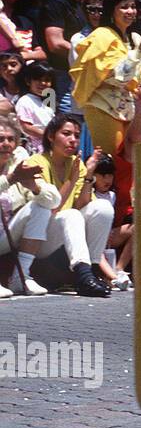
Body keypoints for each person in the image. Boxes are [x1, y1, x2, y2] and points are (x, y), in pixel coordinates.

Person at [70, 0, 141, 225]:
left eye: (132, 6)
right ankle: (107, 220)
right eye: (123, 7)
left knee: (132, 161)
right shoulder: (101, 36)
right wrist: (138, 53)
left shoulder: (135, 39)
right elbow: (117, 76)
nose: (130, 11)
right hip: (104, 109)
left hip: (130, 108)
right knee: (112, 165)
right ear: (112, 11)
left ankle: (127, 216)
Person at [28, 114, 114, 297]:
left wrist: (89, 175)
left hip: (68, 232)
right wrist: (72, 179)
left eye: (76, 135)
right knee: (71, 215)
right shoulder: (35, 162)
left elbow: (81, 204)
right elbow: (53, 208)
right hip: (40, 238)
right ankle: (83, 275)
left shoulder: (77, 165)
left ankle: (90, 271)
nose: (73, 140)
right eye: (66, 134)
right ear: (51, 136)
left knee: (103, 207)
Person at [0, 115, 60, 296]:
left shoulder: (18, 162)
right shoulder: (13, 173)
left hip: (7, 237)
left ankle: (21, 276)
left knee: (40, 205)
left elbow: (54, 200)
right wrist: (10, 180)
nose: (6, 144)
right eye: (0, 139)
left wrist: (34, 187)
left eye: (11, 139)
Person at [38, 0, 89, 114]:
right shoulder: (54, 3)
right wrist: (90, 54)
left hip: (74, 77)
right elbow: (55, 44)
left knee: (74, 129)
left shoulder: (78, 2)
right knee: (53, 123)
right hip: (56, 79)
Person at [90, 154, 130, 290]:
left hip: (109, 236)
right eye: (103, 175)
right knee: (98, 251)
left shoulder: (112, 195)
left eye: (110, 175)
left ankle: (119, 268)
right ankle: (114, 278)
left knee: (137, 229)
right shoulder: (89, 193)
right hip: (92, 237)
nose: (108, 180)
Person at [14, 61, 55, 153]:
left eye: (47, 80)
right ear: (28, 81)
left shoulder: (47, 103)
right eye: (38, 79)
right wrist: (48, 136)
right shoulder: (25, 101)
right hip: (36, 146)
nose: (43, 83)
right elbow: (26, 127)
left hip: (50, 144)